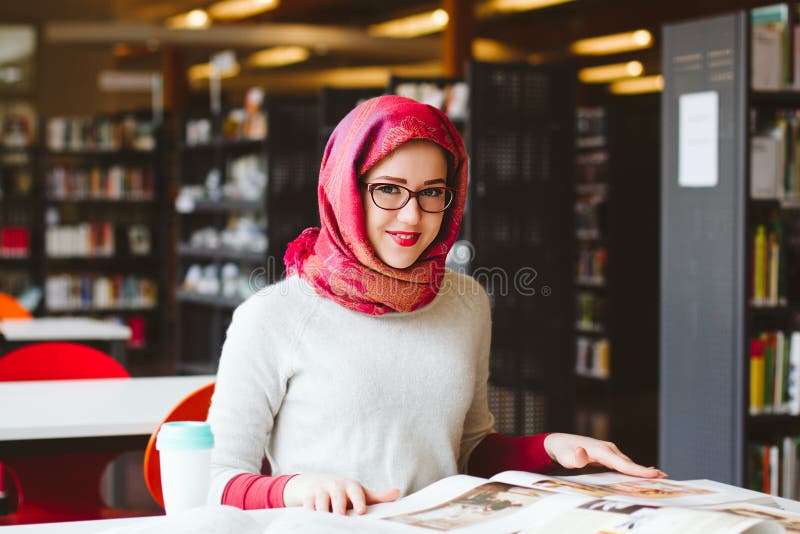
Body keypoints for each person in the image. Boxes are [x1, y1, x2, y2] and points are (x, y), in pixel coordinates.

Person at [206, 95, 665, 515]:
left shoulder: (467, 304)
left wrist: (549, 447)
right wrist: (295, 489)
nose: (412, 216)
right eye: (388, 189)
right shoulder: (273, 316)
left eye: (431, 192)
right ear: (345, 186)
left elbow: (468, 451)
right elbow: (223, 482)